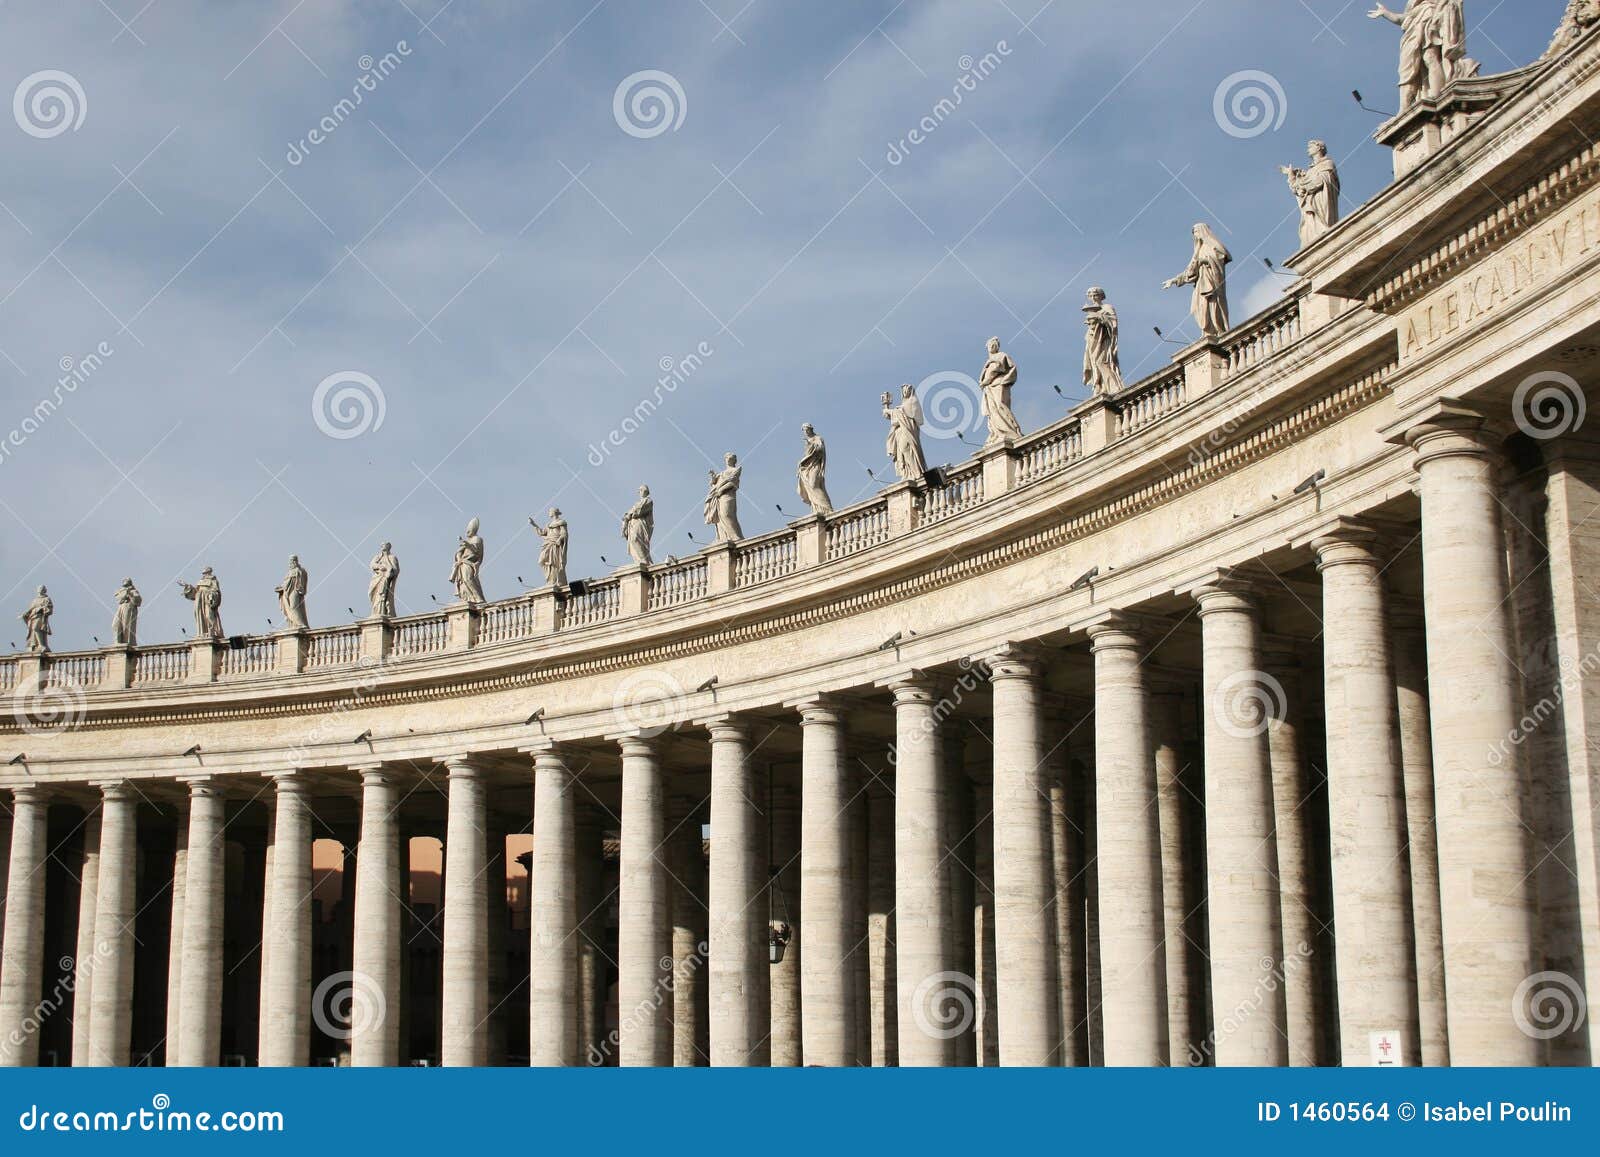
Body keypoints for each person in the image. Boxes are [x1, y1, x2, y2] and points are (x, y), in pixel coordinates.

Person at [1368, 1, 1471, 110]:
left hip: (1428, 22)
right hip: (1411, 35)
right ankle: (1403, 109)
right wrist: (1385, 13)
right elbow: (1402, 19)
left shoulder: (1431, 5)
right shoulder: (1414, 6)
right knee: (1406, 71)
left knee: (1430, 58)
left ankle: (1437, 96)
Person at [1163, 223, 1232, 339]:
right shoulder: (1198, 250)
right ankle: (1207, 333)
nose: (1194, 235)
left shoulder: (1213, 245)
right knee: (1199, 308)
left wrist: (1204, 261)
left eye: (1195, 232)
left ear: (1202, 231)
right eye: (1193, 233)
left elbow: (1220, 258)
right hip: (1201, 285)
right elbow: (1190, 272)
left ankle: (1215, 332)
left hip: (1212, 284)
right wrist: (1174, 280)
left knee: (1212, 306)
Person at [1282, 140, 1341, 248]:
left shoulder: (1327, 163)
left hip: (1321, 202)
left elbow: (1322, 181)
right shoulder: (1311, 170)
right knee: (1311, 229)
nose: (1308, 149)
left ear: (1319, 147)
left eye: (1310, 147)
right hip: (1311, 205)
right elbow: (1299, 189)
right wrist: (1292, 176)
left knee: (1321, 227)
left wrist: (1305, 184)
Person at [979, 337, 1023, 446]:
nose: (991, 347)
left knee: (1000, 406)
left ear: (996, 346)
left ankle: (1009, 431)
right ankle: (997, 432)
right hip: (990, 388)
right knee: (992, 410)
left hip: (998, 385)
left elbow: (1009, 368)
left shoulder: (1002, 356)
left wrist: (1003, 380)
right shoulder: (989, 361)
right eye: (989, 345)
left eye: (992, 345)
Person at [1082, 287, 1124, 395]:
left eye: (1095, 295)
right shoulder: (1092, 308)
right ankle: (1100, 387)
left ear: (1101, 296)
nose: (1093, 298)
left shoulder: (1107, 307)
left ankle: (1114, 388)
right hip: (1093, 340)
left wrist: (1098, 316)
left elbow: (1112, 322)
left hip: (1104, 340)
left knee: (1102, 362)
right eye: (1090, 296)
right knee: (1094, 363)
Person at [882, 383, 928, 481]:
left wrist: (888, 410)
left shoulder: (912, 401)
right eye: (903, 390)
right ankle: (908, 473)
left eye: (907, 389)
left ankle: (916, 472)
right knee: (902, 451)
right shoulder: (903, 405)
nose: (905, 391)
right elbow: (895, 416)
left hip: (908, 433)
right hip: (901, 432)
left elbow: (902, 414)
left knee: (905, 448)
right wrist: (886, 406)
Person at [704, 453, 744, 542]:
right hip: (718, 497)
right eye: (726, 458)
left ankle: (736, 537)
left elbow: (733, 482)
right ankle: (723, 538)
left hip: (727, 496)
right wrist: (713, 477)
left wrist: (721, 490)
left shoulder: (736, 470)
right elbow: (713, 483)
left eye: (730, 458)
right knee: (719, 517)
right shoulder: (721, 473)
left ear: (734, 460)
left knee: (727, 515)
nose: (728, 459)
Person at [796, 423, 833, 514]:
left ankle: (827, 509)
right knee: (810, 487)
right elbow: (807, 454)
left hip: (815, 465)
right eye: (804, 430)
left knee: (813, 485)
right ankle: (817, 509)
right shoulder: (808, 439)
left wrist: (811, 445)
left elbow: (820, 450)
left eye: (806, 429)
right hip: (808, 466)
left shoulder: (818, 438)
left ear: (810, 429)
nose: (805, 432)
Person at [180, 568, 224, 640]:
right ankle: (202, 633)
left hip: (207, 599)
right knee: (200, 616)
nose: (204, 574)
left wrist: (211, 596)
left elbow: (216, 591)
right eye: (203, 573)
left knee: (208, 615)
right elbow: (195, 592)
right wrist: (186, 586)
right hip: (199, 600)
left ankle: (213, 631)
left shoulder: (213, 580)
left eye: (205, 573)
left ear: (209, 573)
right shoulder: (200, 581)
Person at [449, 517, 486, 604]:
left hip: (469, 564)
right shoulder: (467, 541)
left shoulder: (477, 539)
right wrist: (459, 558)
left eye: (468, 531)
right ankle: (467, 598)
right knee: (463, 582)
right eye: (466, 531)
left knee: (468, 579)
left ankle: (477, 598)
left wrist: (468, 545)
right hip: (462, 563)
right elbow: (458, 552)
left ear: (473, 530)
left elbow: (477, 551)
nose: (466, 533)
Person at [529, 508, 569, 586]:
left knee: (554, 563)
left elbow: (564, 533)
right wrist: (533, 524)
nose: (549, 513)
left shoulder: (561, 522)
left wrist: (559, 539)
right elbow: (542, 533)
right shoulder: (548, 524)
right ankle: (550, 579)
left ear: (555, 513)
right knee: (541, 561)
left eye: (550, 511)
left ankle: (554, 580)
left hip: (556, 544)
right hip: (548, 543)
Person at [622, 485, 654, 565]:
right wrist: (627, 516)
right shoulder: (638, 503)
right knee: (633, 541)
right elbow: (632, 511)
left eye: (640, 490)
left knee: (636, 539)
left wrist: (630, 514)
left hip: (640, 523)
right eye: (639, 491)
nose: (639, 492)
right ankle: (639, 561)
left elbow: (639, 510)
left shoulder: (648, 501)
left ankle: (644, 561)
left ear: (645, 491)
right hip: (633, 524)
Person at [276, 554, 309, 630]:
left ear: (295, 561)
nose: (290, 563)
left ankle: (300, 624)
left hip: (295, 590)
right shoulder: (289, 572)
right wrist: (281, 588)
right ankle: (293, 624)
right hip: (287, 592)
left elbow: (303, 581)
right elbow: (285, 582)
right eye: (289, 561)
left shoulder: (300, 570)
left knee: (294, 606)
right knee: (290, 607)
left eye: (292, 561)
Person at [369, 543, 400, 618]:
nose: (382, 546)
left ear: (389, 547)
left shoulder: (392, 557)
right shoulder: (378, 557)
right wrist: (380, 566)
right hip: (376, 578)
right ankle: (375, 612)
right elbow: (372, 565)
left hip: (385, 578)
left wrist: (389, 573)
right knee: (373, 594)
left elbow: (396, 570)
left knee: (382, 595)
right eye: (381, 545)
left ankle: (382, 611)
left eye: (384, 545)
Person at [20, 586, 52, 653]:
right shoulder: (34, 600)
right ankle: (35, 645)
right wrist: (25, 614)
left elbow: (49, 609)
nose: (40, 590)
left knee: (36, 628)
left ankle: (41, 645)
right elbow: (30, 609)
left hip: (40, 617)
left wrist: (41, 609)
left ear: (44, 590)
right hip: (33, 617)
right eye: (39, 588)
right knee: (33, 631)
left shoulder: (47, 599)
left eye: (41, 588)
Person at [112, 578, 141, 647]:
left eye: (126, 582)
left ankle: (126, 644)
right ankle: (117, 643)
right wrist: (124, 594)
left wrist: (130, 594)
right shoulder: (121, 591)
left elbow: (138, 601)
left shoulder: (134, 591)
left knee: (126, 627)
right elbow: (118, 598)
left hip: (128, 608)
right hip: (121, 608)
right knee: (115, 625)